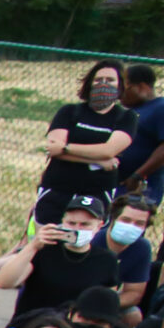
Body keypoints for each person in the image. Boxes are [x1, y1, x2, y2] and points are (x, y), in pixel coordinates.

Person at [35, 61, 136, 224]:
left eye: (110, 80)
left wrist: (66, 148)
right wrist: (97, 159)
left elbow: (108, 150)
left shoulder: (126, 117)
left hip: (96, 192)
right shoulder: (69, 111)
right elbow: (53, 149)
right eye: (98, 80)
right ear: (89, 83)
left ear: (120, 85)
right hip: (58, 187)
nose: (103, 84)